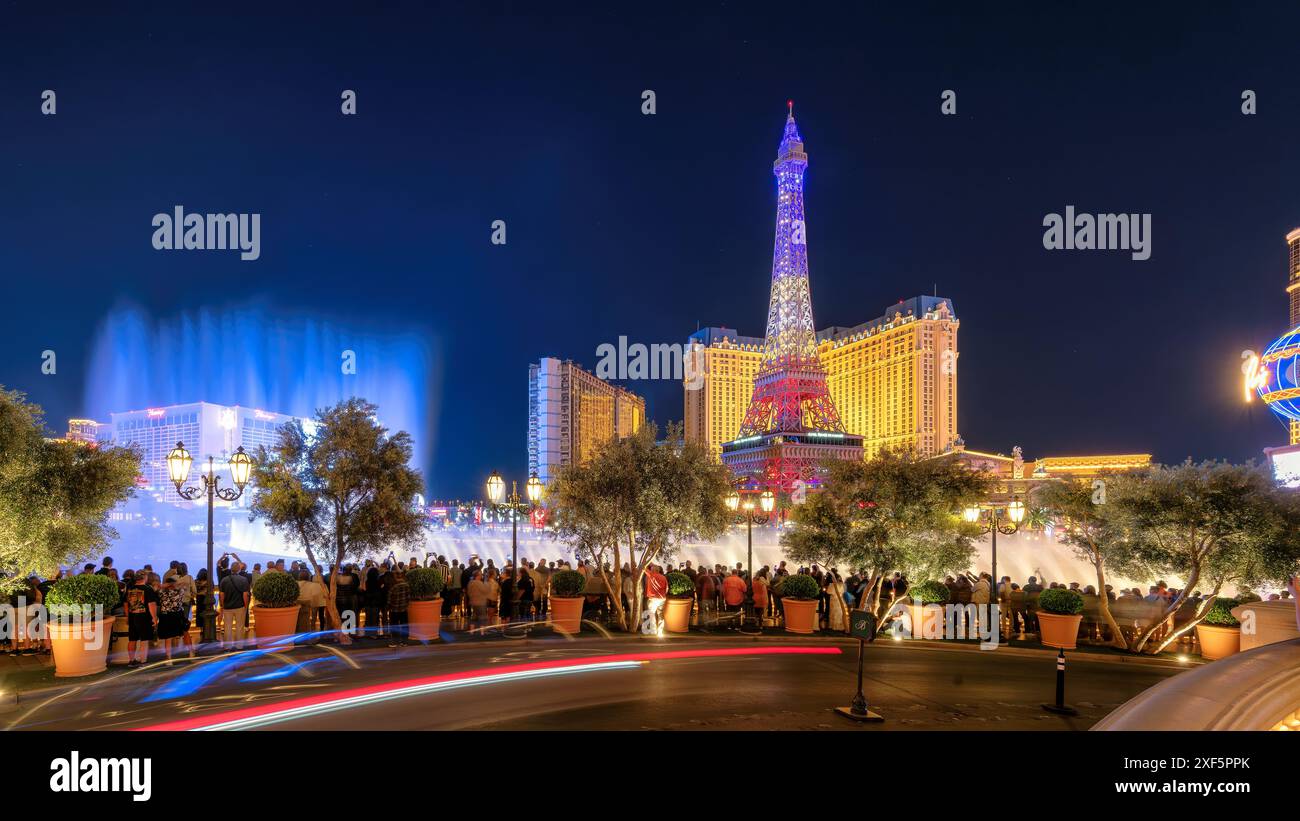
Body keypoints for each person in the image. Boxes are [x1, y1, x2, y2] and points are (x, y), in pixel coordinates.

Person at [124, 571, 159, 665]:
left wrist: (127, 616)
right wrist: (154, 618)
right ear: (144, 578)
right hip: (144, 617)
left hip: (132, 616)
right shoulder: (148, 589)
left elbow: (126, 604)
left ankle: (131, 660)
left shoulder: (130, 588)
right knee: (144, 639)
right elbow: (151, 604)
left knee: (132, 639)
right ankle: (143, 660)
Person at [156, 575, 193, 660]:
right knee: (185, 633)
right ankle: (191, 652)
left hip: (166, 615)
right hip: (178, 615)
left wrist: (165, 585)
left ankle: (169, 657)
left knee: (168, 637)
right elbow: (186, 585)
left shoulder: (162, 592)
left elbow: (156, 586)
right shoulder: (179, 591)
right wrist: (175, 584)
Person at [218, 561, 250, 650]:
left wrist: (222, 605)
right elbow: (245, 595)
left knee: (227, 627)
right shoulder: (244, 580)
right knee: (239, 627)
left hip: (227, 607)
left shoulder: (224, 580)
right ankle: (239, 646)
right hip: (239, 606)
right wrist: (245, 606)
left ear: (231, 569)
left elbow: (221, 594)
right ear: (239, 569)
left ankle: (227, 646)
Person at [387, 569, 410, 647]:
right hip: (404, 609)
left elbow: (389, 599)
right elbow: (408, 597)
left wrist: (389, 607)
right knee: (404, 625)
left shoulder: (393, 586)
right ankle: (404, 642)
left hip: (394, 610)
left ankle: (394, 642)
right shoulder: (407, 585)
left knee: (394, 626)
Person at [643, 564, 668, 635]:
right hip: (662, 598)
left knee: (652, 614)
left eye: (651, 569)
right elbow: (666, 588)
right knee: (660, 614)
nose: (650, 570)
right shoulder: (664, 577)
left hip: (653, 598)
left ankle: (653, 630)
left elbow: (643, 568)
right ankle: (660, 632)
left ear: (654, 570)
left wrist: (650, 563)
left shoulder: (651, 575)